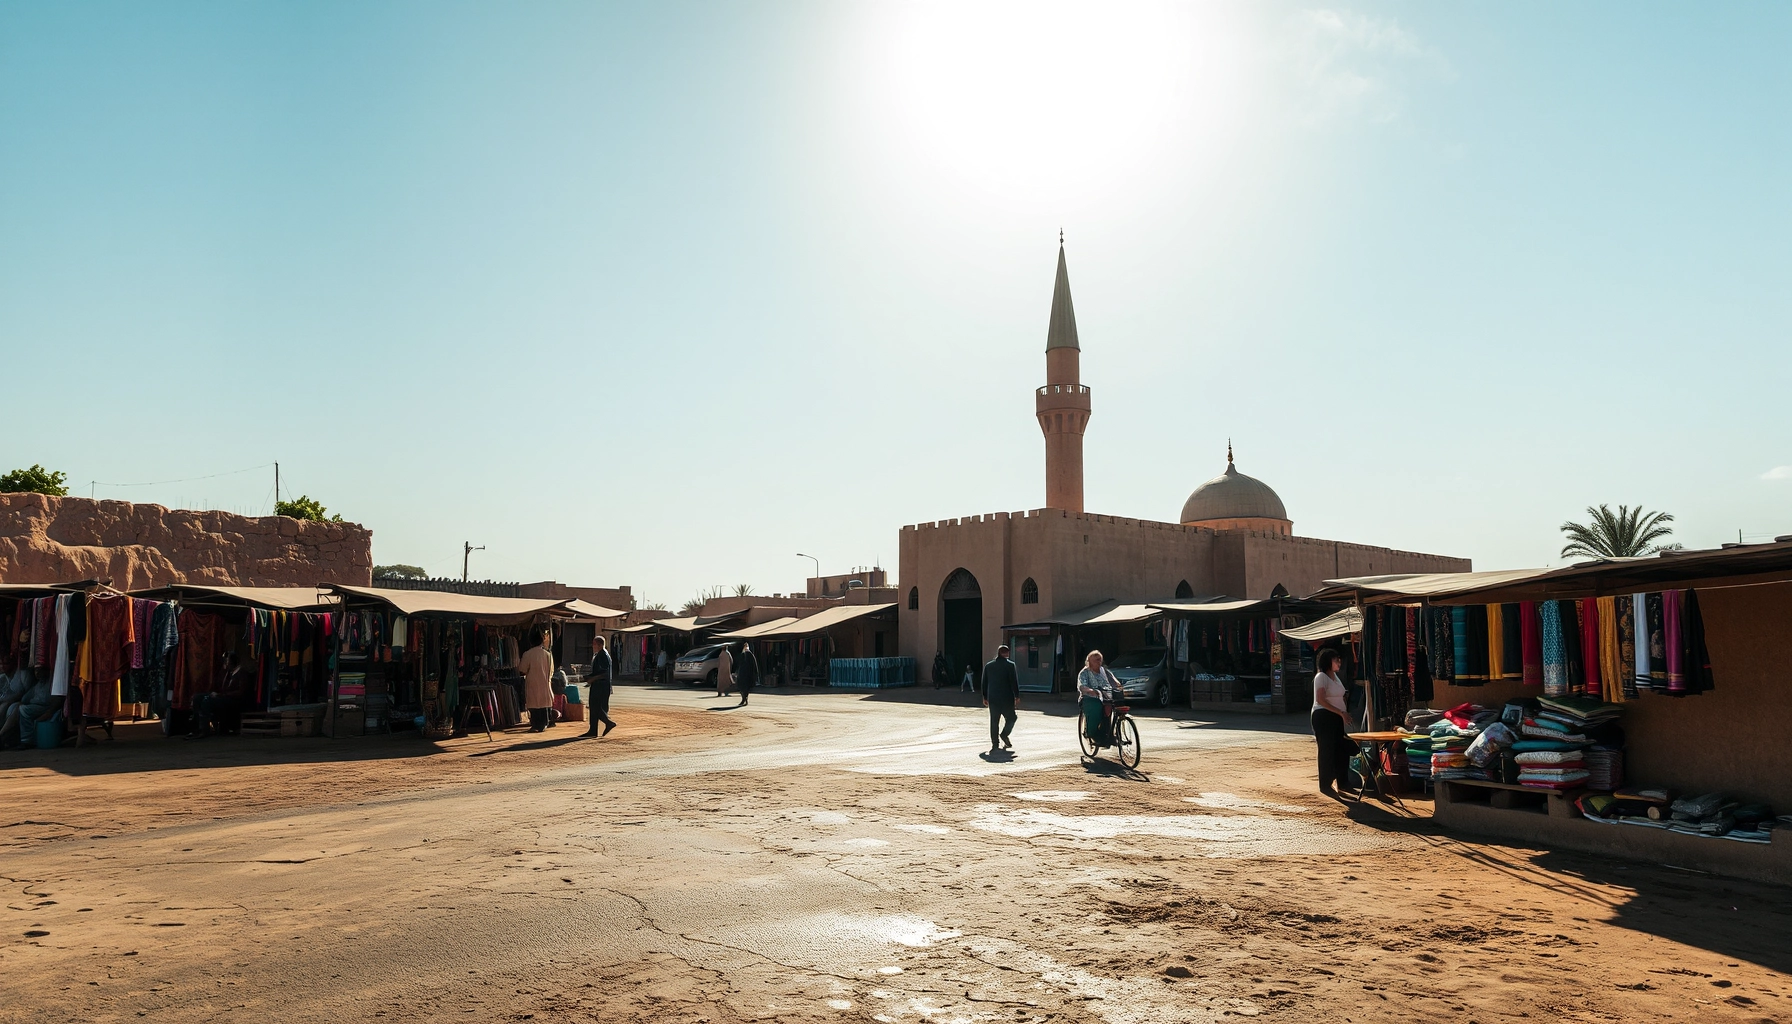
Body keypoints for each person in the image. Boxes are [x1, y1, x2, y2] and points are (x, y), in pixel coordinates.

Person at [1311, 648, 1357, 799]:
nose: (1339, 662)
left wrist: (1344, 713)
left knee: (1342, 748)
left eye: (1339, 659)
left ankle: (1343, 782)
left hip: (1337, 716)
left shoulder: (1336, 677)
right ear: (1327, 661)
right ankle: (1325, 784)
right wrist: (1340, 712)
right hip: (1323, 716)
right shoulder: (1321, 676)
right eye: (1335, 659)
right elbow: (1321, 699)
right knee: (1327, 749)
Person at [191, 652, 249, 739]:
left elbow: (240, 692)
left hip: (233, 699)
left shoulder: (241, 673)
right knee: (197, 698)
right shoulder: (227, 673)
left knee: (207, 701)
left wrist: (221, 695)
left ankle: (204, 730)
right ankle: (195, 728)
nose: (226, 663)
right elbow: (220, 686)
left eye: (227, 661)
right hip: (224, 696)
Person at [981, 644, 1020, 756]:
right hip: (1007, 698)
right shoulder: (1010, 665)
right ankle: (1004, 734)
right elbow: (1014, 682)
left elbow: (984, 682)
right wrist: (1017, 695)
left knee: (994, 721)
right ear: (1006, 653)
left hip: (993, 698)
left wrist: (985, 697)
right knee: (1012, 717)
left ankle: (995, 744)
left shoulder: (989, 666)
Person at [1077, 650, 1120, 746]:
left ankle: (1110, 734)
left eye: (1099, 659)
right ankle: (1092, 733)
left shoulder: (1104, 671)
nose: (1098, 662)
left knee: (1117, 707)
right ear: (1089, 662)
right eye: (1096, 660)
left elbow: (1113, 681)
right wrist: (1090, 690)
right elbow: (1082, 686)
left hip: (1106, 696)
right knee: (1096, 708)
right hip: (1090, 697)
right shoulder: (1084, 672)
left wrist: (1118, 686)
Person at [518, 630, 556, 732]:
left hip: (532, 683)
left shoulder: (528, 654)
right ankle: (544, 723)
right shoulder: (548, 654)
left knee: (534, 704)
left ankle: (535, 725)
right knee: (544, 703)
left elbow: (522, 669)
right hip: (545, 683)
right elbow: (551, 670)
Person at [584, 634, 617, 737]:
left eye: (594, 644)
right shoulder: (600, 655)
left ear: (599, 644)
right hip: (599, 685)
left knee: (596, 708)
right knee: (594, 708)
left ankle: (608, 723)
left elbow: (604, 673)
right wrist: (589, 677)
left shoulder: (603, 655)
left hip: (601, 686)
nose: (593, 646)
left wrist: (592, 679)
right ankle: (593, 730)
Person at [734, 641, 760, 706]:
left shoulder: (749, 654)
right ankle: (744, 699)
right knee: (742, 688)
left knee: (744, 688)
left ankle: (744, 700)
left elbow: (754, 665)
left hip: (746, 674)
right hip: (743, 674)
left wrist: (755, 674)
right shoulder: (743, 654)